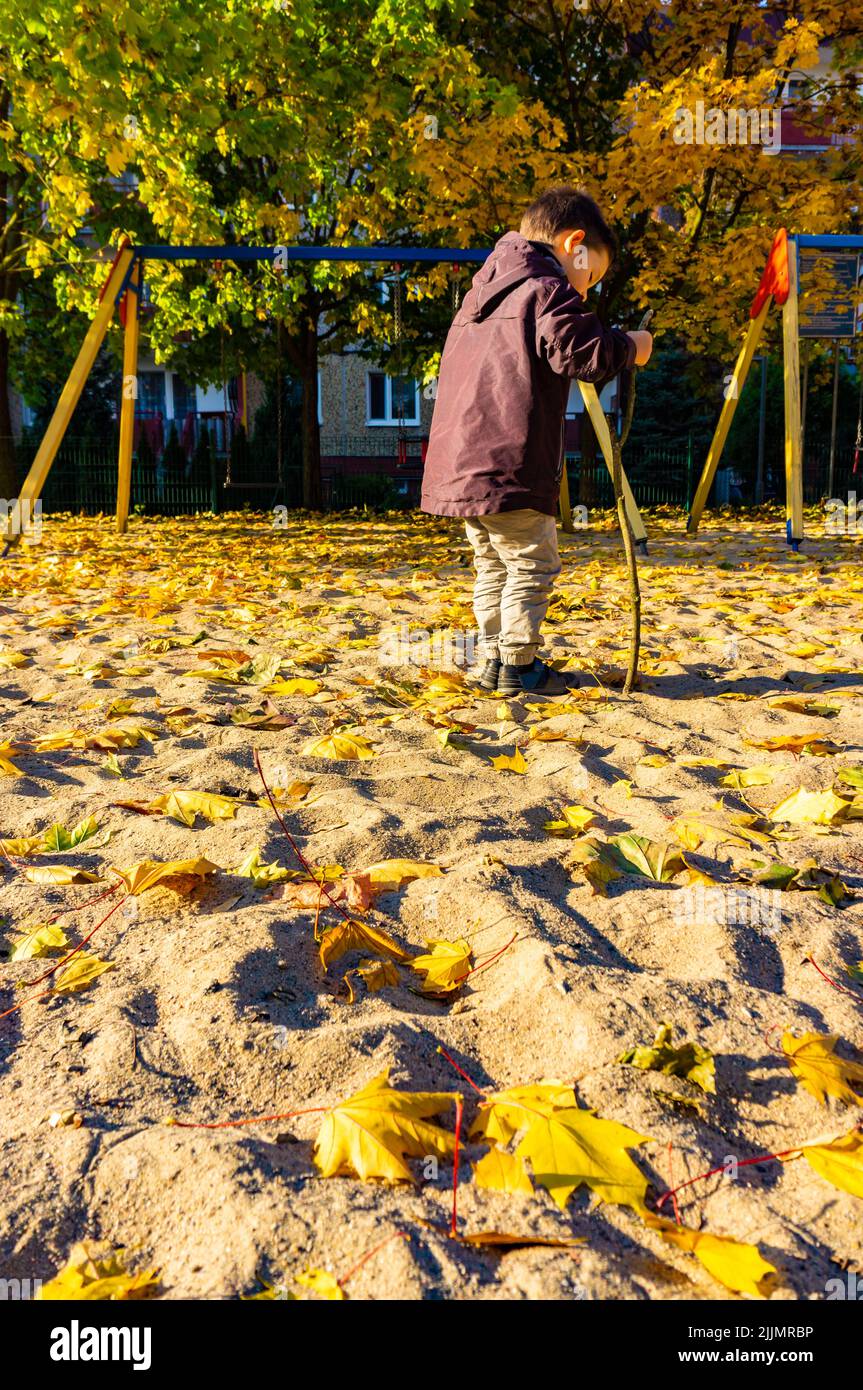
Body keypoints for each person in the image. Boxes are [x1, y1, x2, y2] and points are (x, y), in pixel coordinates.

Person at [421, 186, 653, 695]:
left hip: (463, 466)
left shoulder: (481, 295)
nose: (586, 292)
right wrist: (630, 347)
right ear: (575, 244)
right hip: (512, 461)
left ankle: (493, 661)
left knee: (492, 563)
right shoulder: (546, 287)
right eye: (589, 275)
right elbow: (579, 353)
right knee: (531, 561)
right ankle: (520, 663)